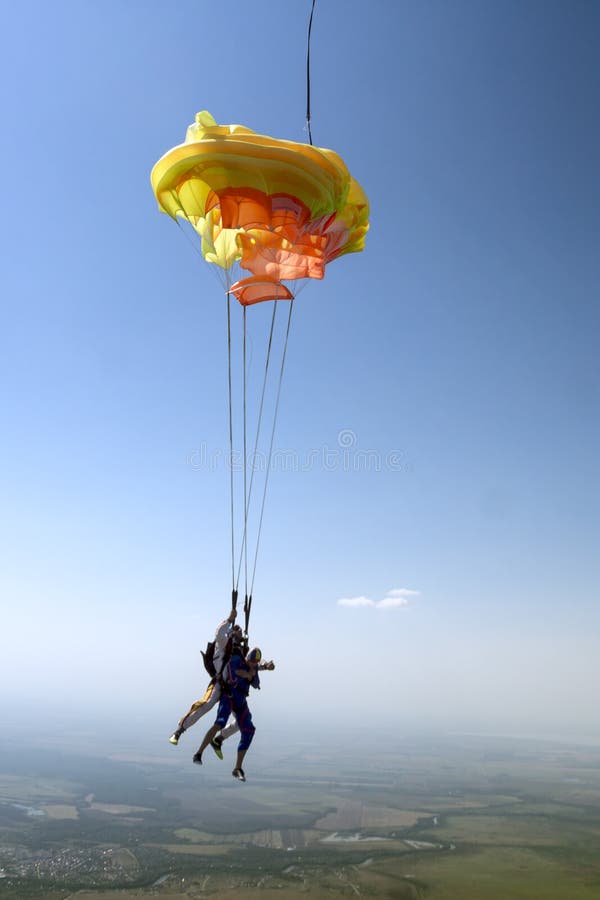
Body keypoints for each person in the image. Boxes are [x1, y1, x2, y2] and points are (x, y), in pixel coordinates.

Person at [193, 645, 272, 781]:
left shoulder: (253, 668)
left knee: (249, 730)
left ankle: (237, 768)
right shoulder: (236, 659)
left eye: (255, 663)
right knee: (219, 723)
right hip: (228, 697)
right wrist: (249, 673)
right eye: (253, 661)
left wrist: (262, 667)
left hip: (240, 702)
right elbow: (235, 671)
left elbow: (255, 681)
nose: (254, 665)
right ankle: (199, 753)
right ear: (247, 657)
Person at [168, 607, 242, 746]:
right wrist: (229, 620)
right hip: (219, 684)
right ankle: (179, 730)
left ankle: (219, 738)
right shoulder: (223, 643)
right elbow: (219, 633)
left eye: (240, 631)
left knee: (240, 720)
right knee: (206, 705)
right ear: (232, 632)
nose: (239, 632)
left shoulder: (239, 652)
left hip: (230, 690)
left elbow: (251, 664)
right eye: (237, 630)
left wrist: (264, 665)